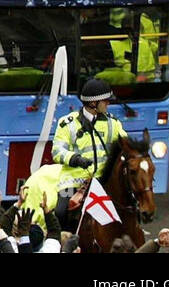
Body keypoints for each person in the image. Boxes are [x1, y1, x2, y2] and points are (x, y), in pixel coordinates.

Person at [51, 78, 125, 222]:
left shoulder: (113, 123)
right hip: (74, 181)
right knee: (60, 212)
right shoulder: (67, 123)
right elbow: (57, 151)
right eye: (105, 101)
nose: (108, 103)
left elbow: (125, 144)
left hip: (103, 180)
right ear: (93, 103)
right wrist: (76, 159)